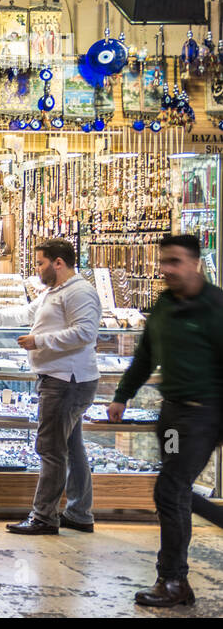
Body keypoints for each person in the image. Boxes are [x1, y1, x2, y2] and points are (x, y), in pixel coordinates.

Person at [109, 234, 223, 607]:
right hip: (173, 418)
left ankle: (172, 580)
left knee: (170, 489)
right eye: (163, 262)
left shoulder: (216, 307)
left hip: (204, 415)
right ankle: (176, 581)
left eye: (174, 262)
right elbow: (145, 355)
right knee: (173, 487)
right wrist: (122, 396)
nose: (166, 269)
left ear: (195, 263)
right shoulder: (163, 305)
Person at [0, 239, 102, 535]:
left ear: (58, 263)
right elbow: (25, 314)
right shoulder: (55, 292)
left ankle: (44, 516)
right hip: (59, 379)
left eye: (40, 263)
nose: (37, 269)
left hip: (66, 382)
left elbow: (86, 332)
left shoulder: (80, 292)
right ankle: (79, 513)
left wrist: (39, 341)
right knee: (71, 448)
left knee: (50, 449)